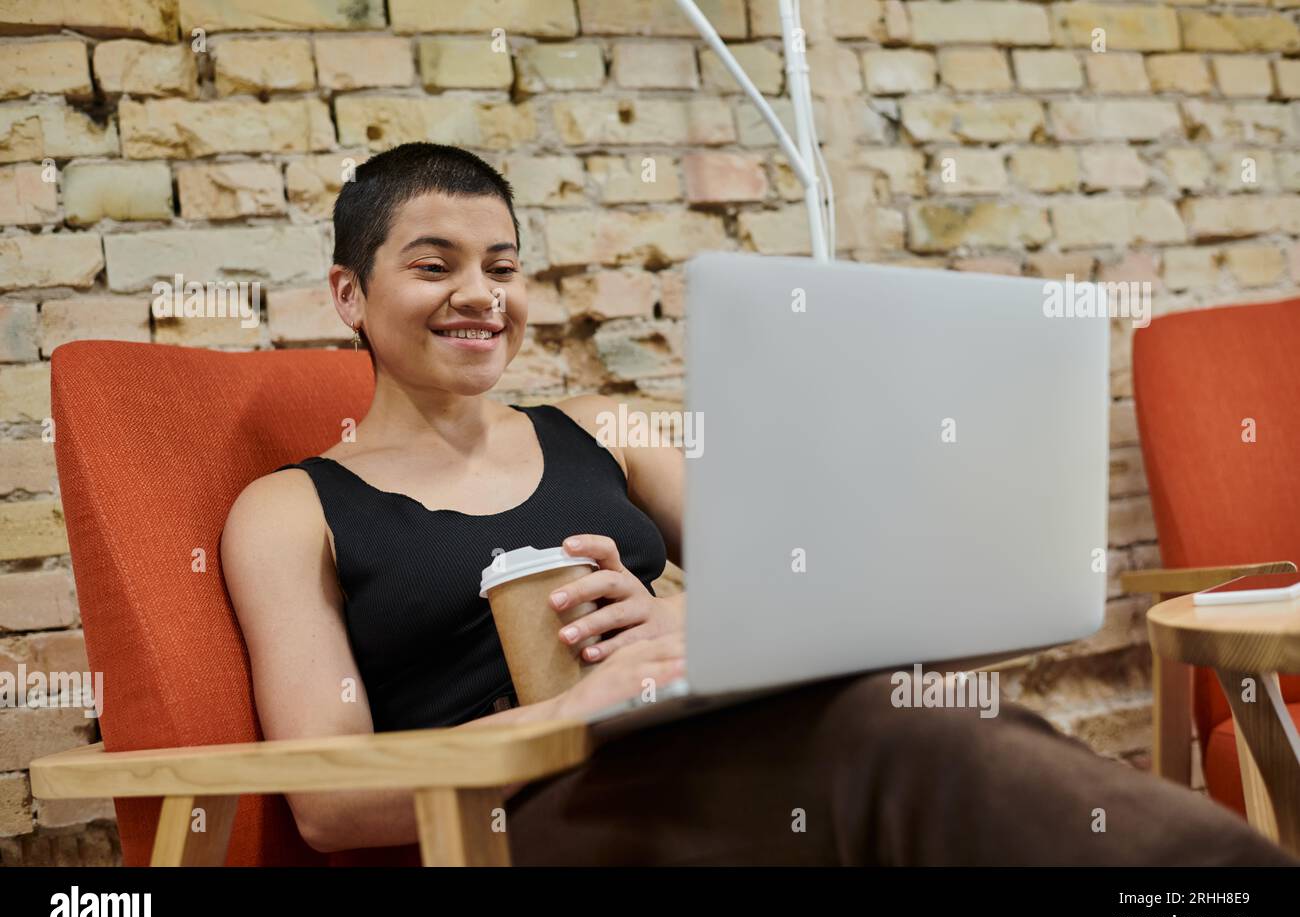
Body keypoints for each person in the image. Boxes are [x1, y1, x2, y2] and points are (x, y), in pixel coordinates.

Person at [220, 142, 1296, 866]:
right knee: (890, 741)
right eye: (432, 264)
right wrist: (578, 708)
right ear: (349, 294)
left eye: (502, 264)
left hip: (700, 752)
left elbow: (799, 584)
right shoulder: (293, 509)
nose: (479, 294)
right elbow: (329, 797)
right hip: (516, 821)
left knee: (907, 705)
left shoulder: (606, 429)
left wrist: (702, 624)